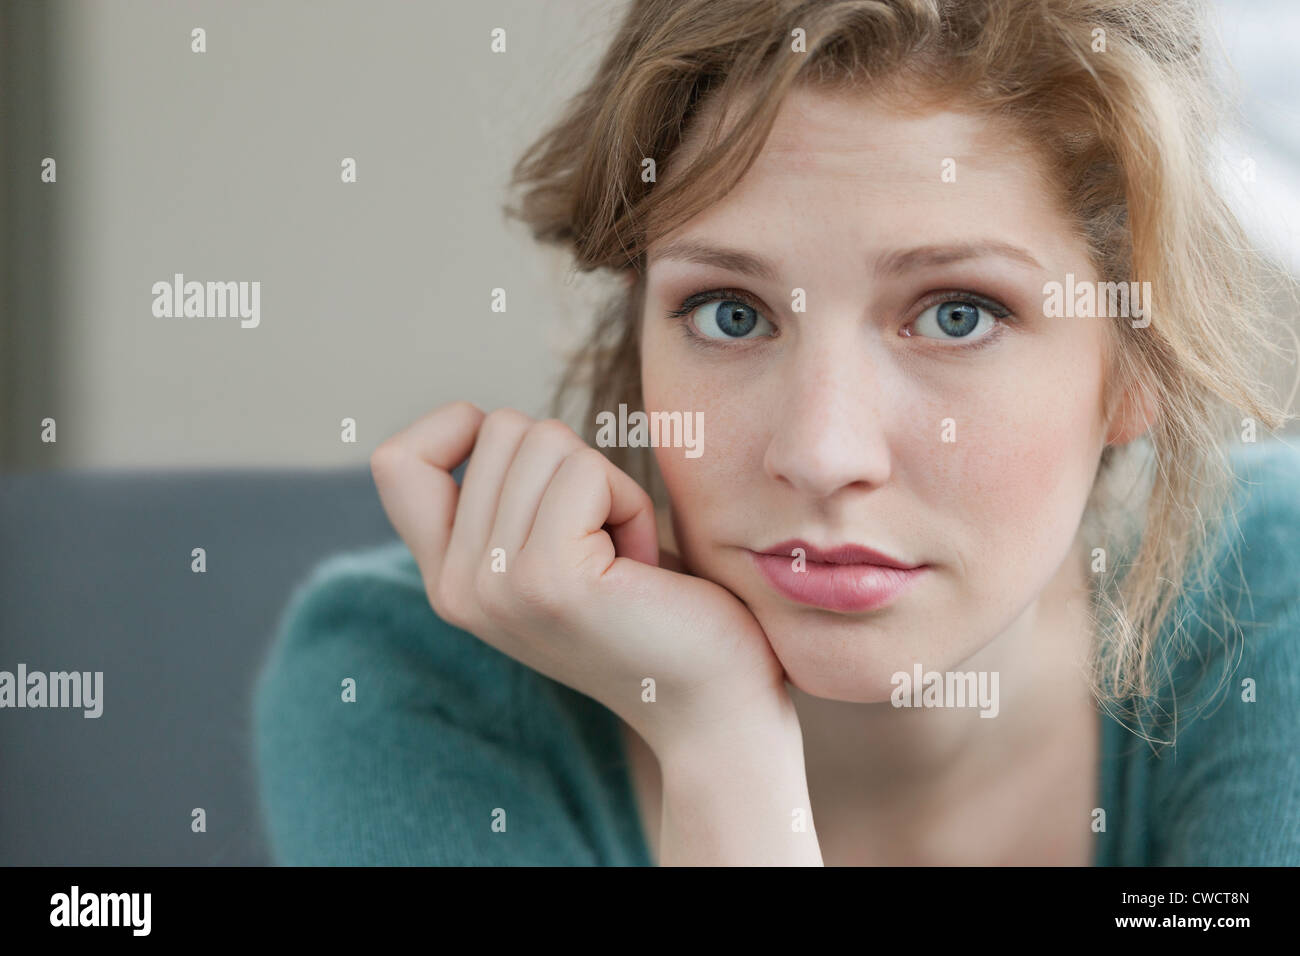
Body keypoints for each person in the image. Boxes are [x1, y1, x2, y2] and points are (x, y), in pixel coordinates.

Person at [253, 0, 1300, 865]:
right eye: (732, 313)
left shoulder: (1276, 597)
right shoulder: (418, 680)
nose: (822, 450)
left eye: (956, 314)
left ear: (1137, 363)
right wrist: (716, 739)